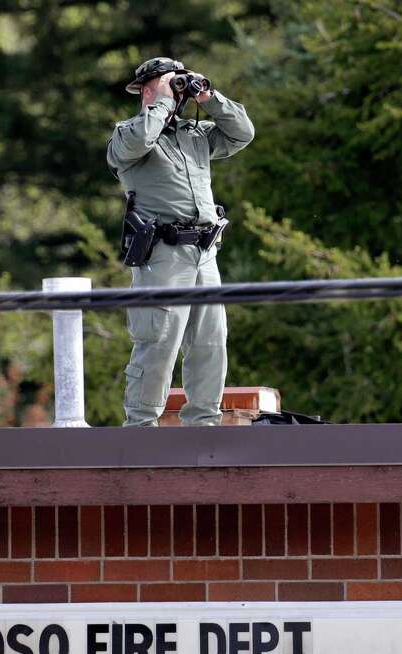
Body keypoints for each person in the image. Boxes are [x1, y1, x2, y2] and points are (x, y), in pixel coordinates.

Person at [107, 57, 255, 427]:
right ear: (145, 90)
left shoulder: (196, 136)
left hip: (205, 252)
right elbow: (142, 138)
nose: (176, 90)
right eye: (167, 82)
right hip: (163, 255)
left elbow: (242, 133)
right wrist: (161, 101)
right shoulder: (128, 135)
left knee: (210, 342)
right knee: (159, 343)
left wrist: (208, 97)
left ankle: (204, 428)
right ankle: (140, 429)